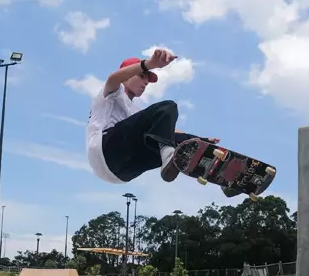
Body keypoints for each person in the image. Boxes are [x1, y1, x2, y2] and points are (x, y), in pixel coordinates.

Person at [86, 48, 219, 185]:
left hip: (122, 174)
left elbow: (167, 130)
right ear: (127, 75)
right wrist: (150, 64)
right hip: (104, 150)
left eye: (147, 80)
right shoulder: (113, 92)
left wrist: (200, 139)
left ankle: (218, 173)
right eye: (142, 76)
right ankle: (168, 154)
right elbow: (113, 78)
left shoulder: (136, 110)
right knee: (167, 107)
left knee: (184, 144)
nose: (146, 83)